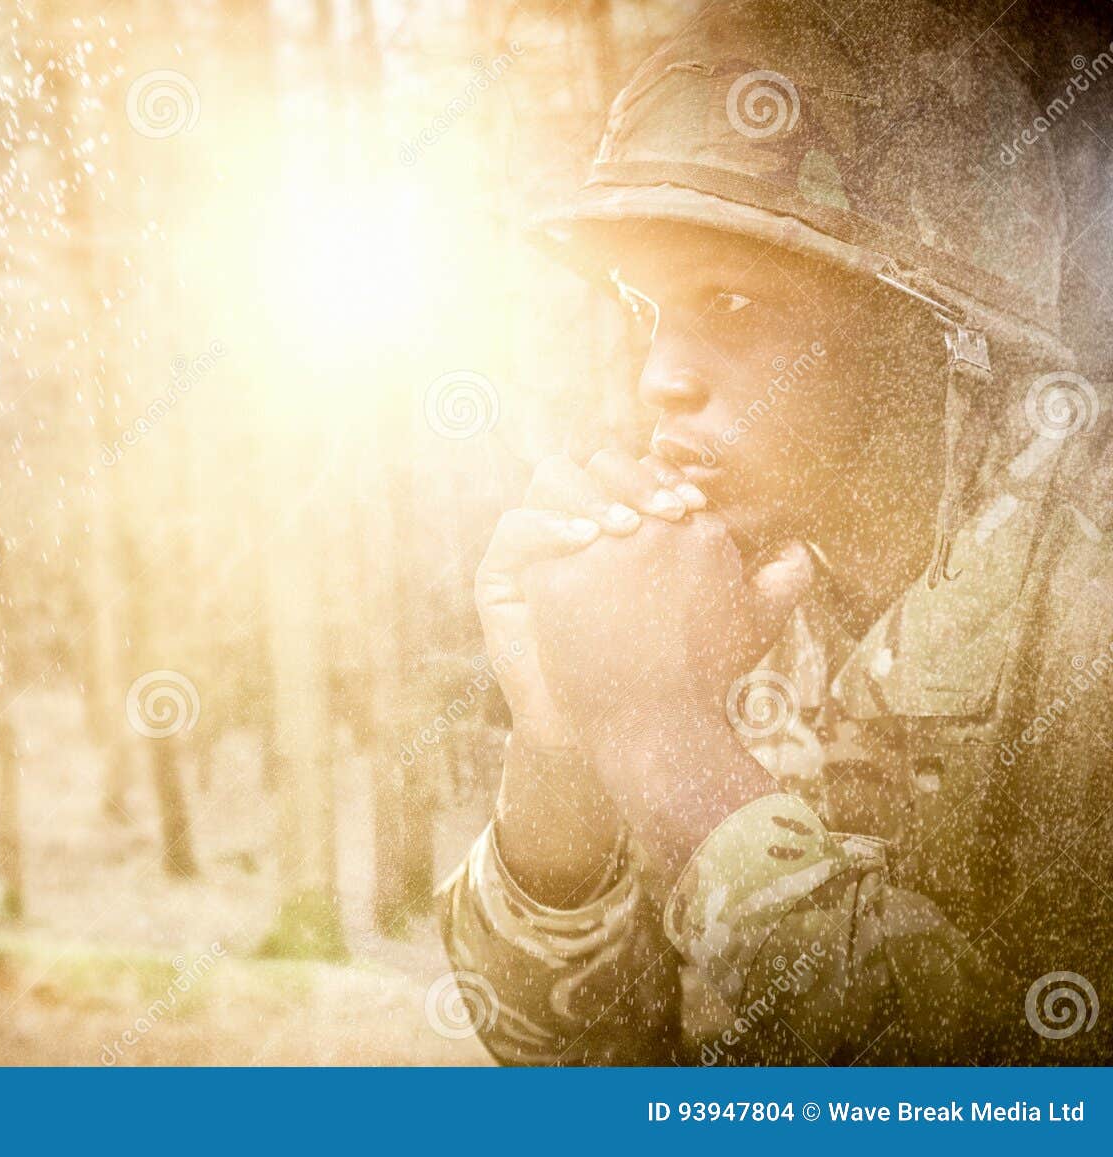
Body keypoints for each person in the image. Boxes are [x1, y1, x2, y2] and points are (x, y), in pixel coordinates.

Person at [439, 0, 1113, 1064]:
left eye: (735, 306)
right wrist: (563, 742)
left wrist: (669, 748)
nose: (659, 377)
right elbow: (588, 1074)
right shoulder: (703, 569)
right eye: (647, 310)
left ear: (931, 341)